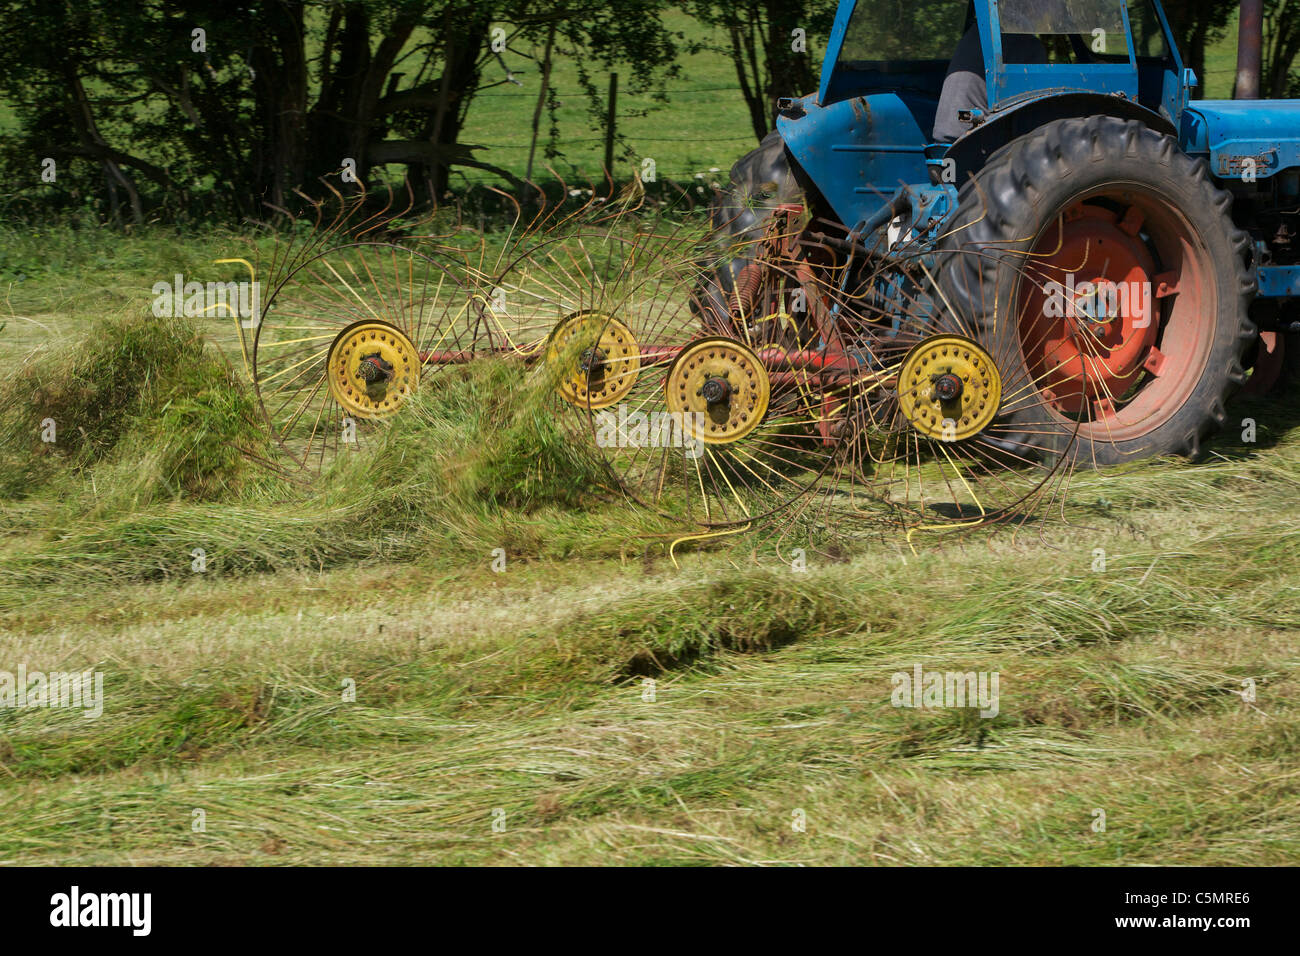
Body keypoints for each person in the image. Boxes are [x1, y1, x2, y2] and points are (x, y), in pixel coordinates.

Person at [933, 24, 1048, 143]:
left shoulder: (979, 29)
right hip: (974, 141)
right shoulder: (1026, 43)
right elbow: (1032, 105)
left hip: (945, 133)